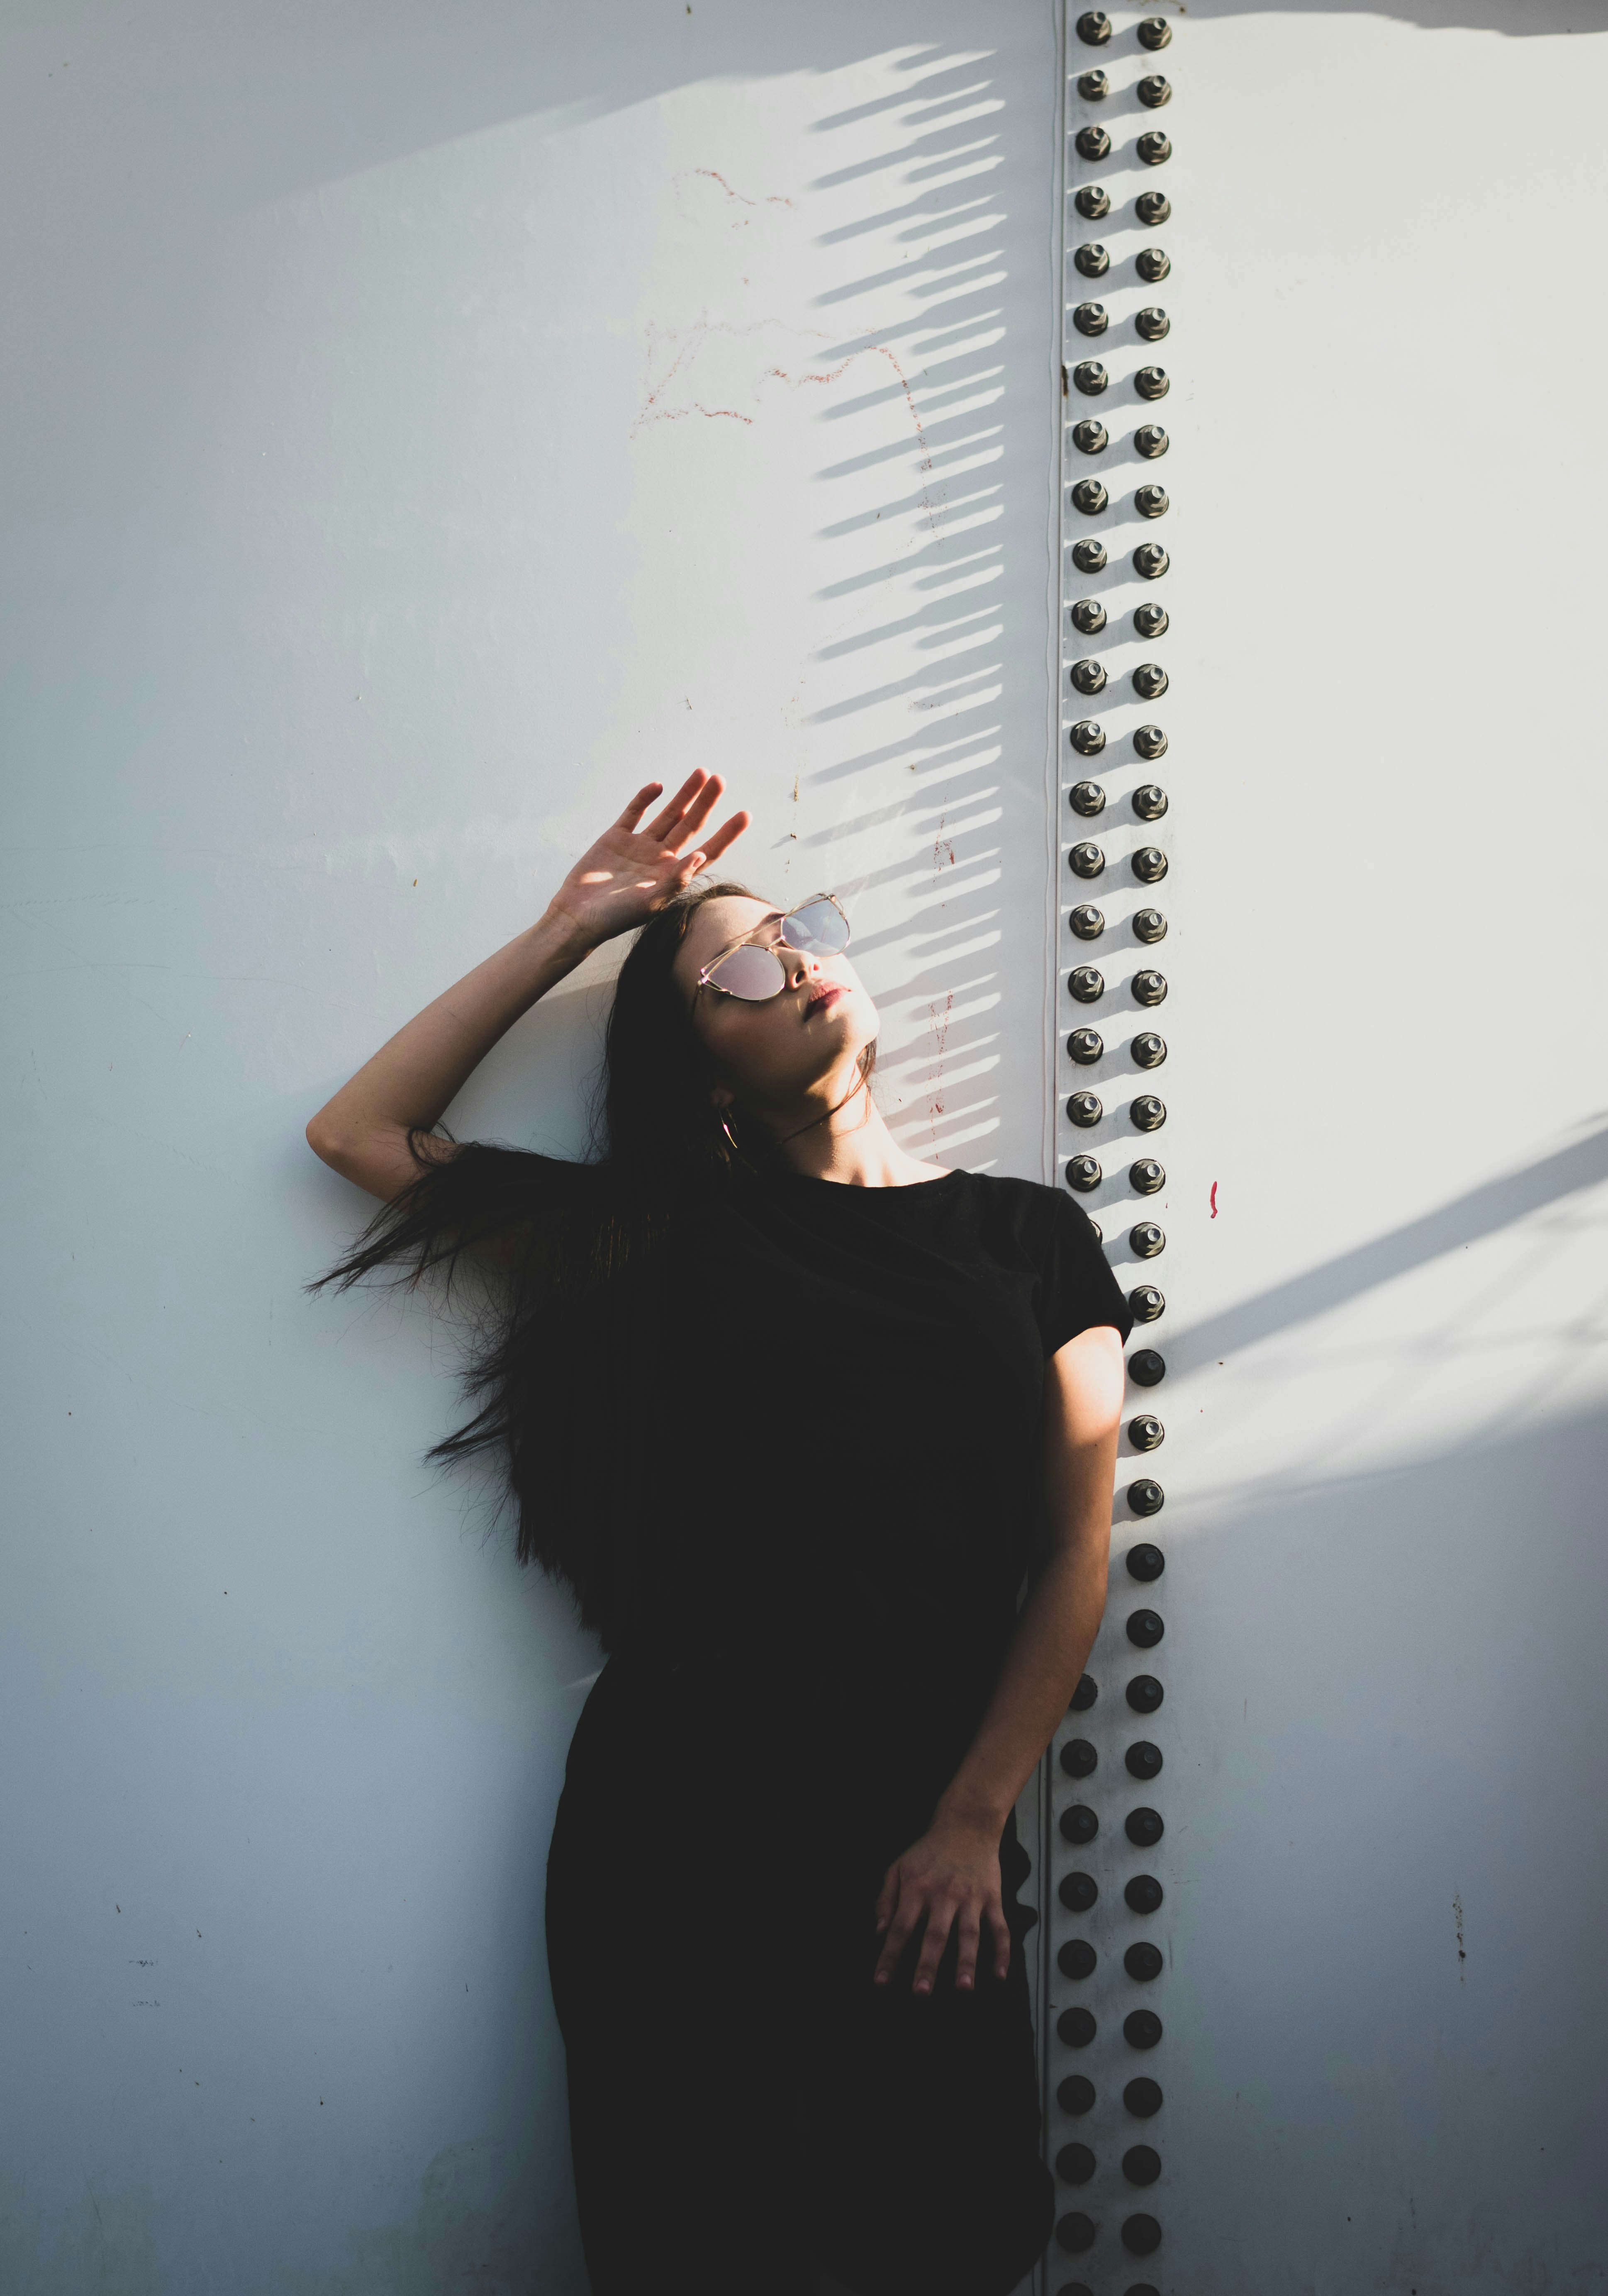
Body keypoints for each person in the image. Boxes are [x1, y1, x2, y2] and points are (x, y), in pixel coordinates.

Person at [303, 769, 1133, 2296]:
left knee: (948, 2239)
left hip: (920, 1841)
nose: (799, 962)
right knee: (700, 2242)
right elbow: (357, 1132)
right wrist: (573, 927)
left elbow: (1074, 1550)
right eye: (739, 969)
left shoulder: (1031, 1238)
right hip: (676, 1833)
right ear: (697, 1062)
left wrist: (970, 1819)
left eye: (806, 931)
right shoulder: (654, 1237)